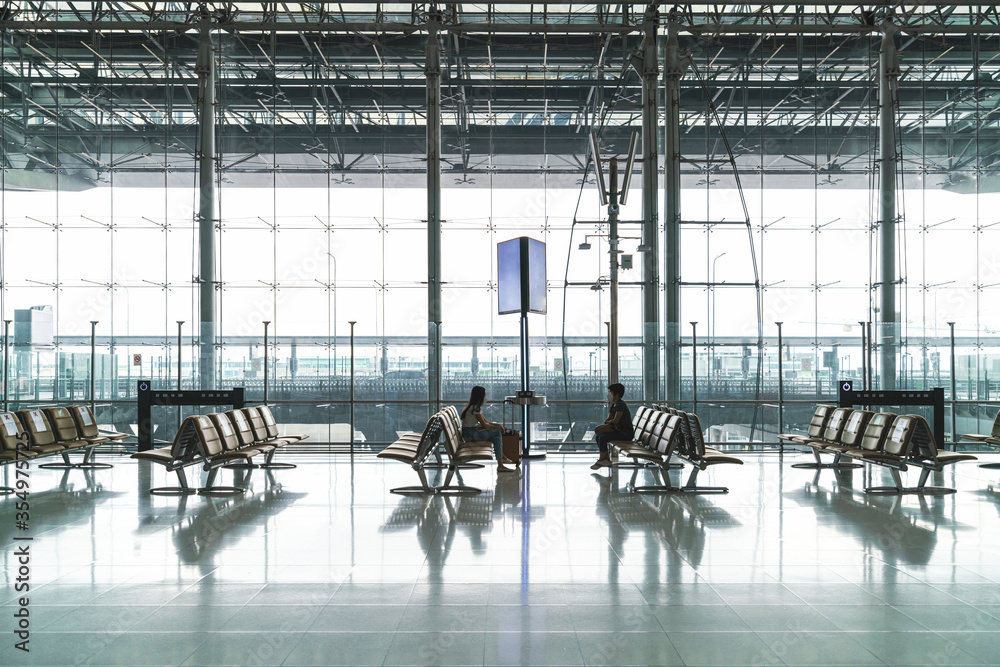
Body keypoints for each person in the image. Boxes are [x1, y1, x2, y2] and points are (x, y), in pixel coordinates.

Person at [461, 386, 516, 473]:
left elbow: (486, 422)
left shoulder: (474, 407)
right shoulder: (475, 408)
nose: (485, 397)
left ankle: (501, 464)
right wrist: (498, 427)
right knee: (497, 432)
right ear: (480, 396)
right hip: (470, 435)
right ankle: (502, 458)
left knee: (496, 438)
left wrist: (498, 425)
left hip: (470, 433)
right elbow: (485, 425)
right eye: (485, 394)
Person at [590, 383, 634, 470]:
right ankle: (605, 459)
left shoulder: (620, 405)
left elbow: (615, 421)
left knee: (602, 437)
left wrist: (609, 421)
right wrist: (609, 422)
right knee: (598, 436)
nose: (608, 394)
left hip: (626, 433)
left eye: (610, 392)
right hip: (618, 431)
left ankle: (602, 460)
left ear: (616, 394)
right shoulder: (613, 405)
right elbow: (609, 419)